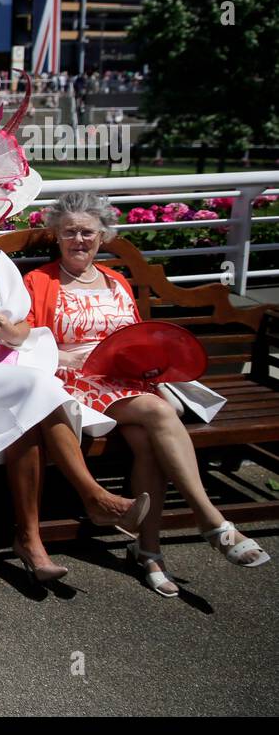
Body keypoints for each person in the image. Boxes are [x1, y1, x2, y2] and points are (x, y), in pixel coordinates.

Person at [0, 76, 148, 583]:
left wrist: (10, 325)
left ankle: (31, 540)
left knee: (28, 415)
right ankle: (93, 496)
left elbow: (11, 315)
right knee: (40, 387)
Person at [25, 192, 270, 594]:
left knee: (147, 442)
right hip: (77, 381)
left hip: (127, 381)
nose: (78, 240)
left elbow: (138, 335)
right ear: (56, 236)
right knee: (158, 413)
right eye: (69, 232)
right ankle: (211, 519)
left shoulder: (116, 280)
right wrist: (63, 360)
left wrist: (153, 362)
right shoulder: (40, 281)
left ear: (102, 236)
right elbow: (27, 338)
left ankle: (149, 552)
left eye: (87, 232)